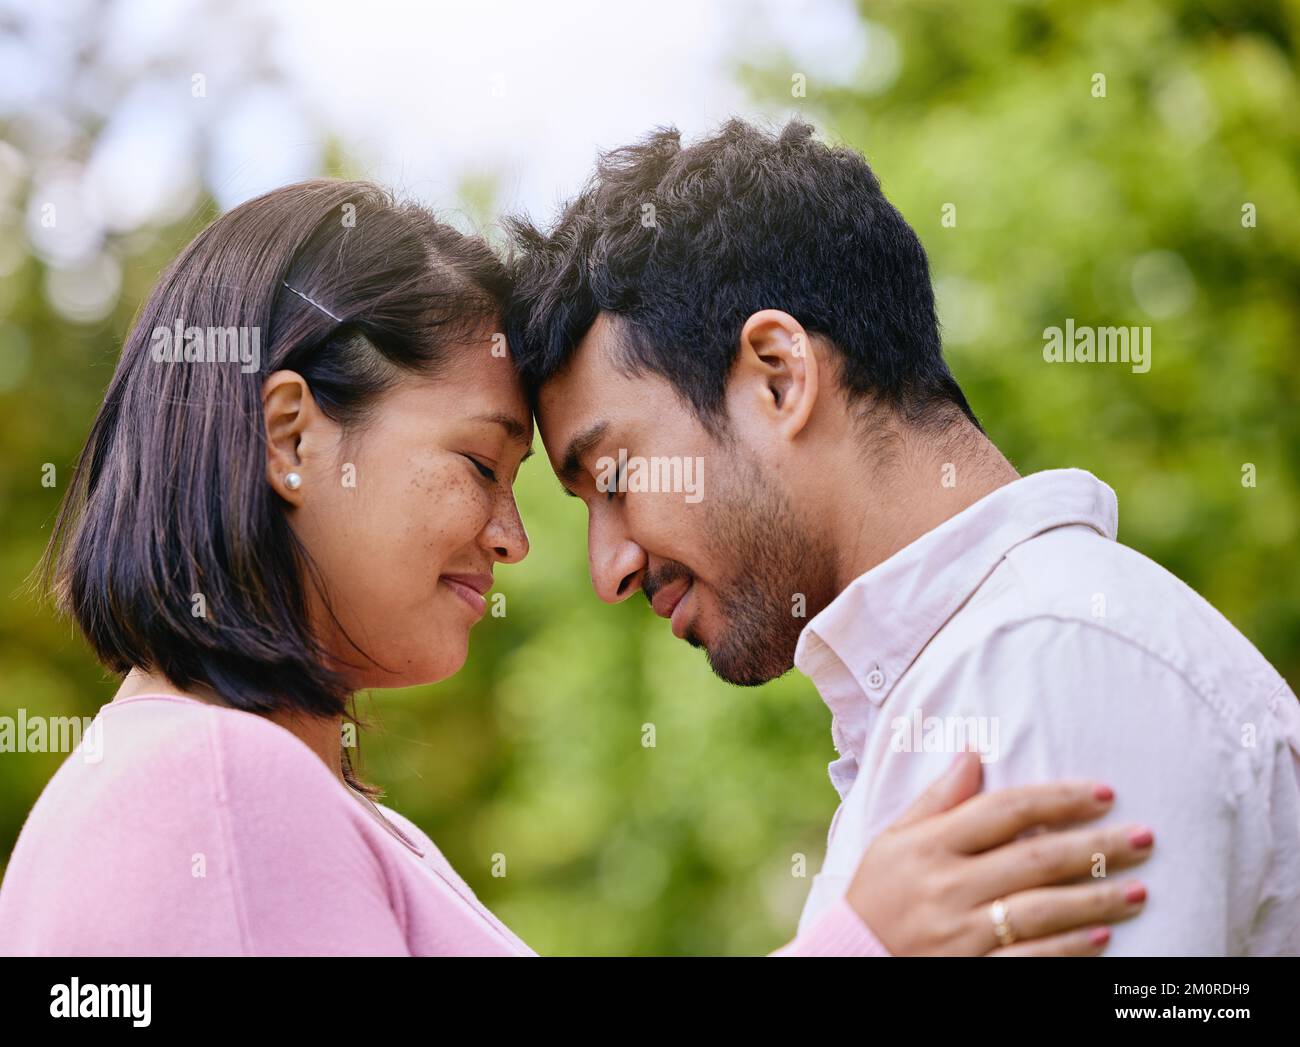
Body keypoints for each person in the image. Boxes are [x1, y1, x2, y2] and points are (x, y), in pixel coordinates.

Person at [0, 179, 1151, 956]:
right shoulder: (204, 784)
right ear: (293, 439)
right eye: (478, 464)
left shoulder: (274, 788)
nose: (516, 540)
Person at [504, 118, 1300, 955]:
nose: (609, 568)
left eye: (617, 478)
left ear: (779, 377)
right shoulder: (955, 691)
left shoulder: (1040, 669)